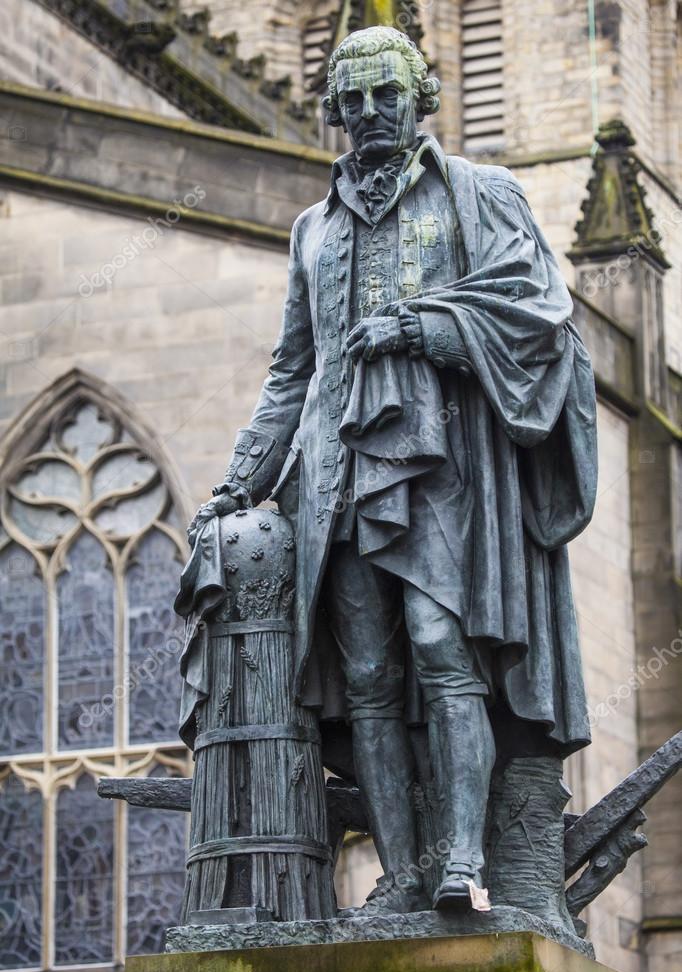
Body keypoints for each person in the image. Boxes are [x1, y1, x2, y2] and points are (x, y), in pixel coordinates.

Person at [188, 26, 597, 914]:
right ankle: (404, 871)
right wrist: (241, 480)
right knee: (368, 676)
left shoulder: (480, 194)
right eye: (354, 99)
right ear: (335, 110)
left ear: (421, 99)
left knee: (444, 650)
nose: (371, 112)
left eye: (388, 94)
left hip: (441, 466)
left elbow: (538, 312)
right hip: (336, 475)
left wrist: (423, 328)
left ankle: (464, 861)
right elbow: (292, 369)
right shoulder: (312, 230)